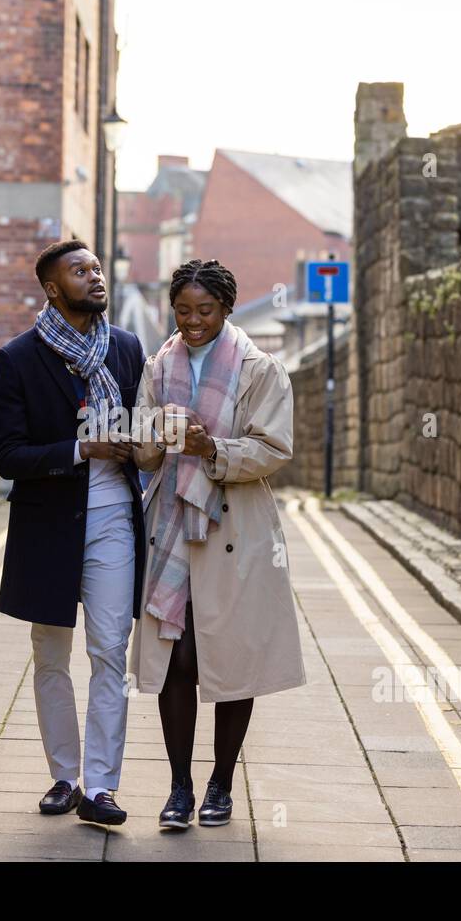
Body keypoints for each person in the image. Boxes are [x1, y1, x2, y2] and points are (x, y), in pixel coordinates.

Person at [130, 258, 305, 829]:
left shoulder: (261, 370)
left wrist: (212, 449)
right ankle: (179, 786)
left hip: (237, 530)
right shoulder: (159, 364)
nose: (192, 321)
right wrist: (157, 437)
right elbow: (141, 444)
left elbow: (274, 449)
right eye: (182, 310)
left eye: (204, 310)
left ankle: (221, 784)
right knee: (177, 657)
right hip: (172, 528)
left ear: (227, 308)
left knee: (231, 659)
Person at [0, 240, 147, 826]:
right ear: (53, 288)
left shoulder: (129, 349)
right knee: (50, 655)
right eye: (80, 271)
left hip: (114, 521)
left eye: (98, 268)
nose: (95, 276)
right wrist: (83, 448)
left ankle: (101, 787)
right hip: (49, 524)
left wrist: (148, 443)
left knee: (110, 652)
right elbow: (9, 456)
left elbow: (145, 425)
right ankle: (64, 776)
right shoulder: (19, 358)